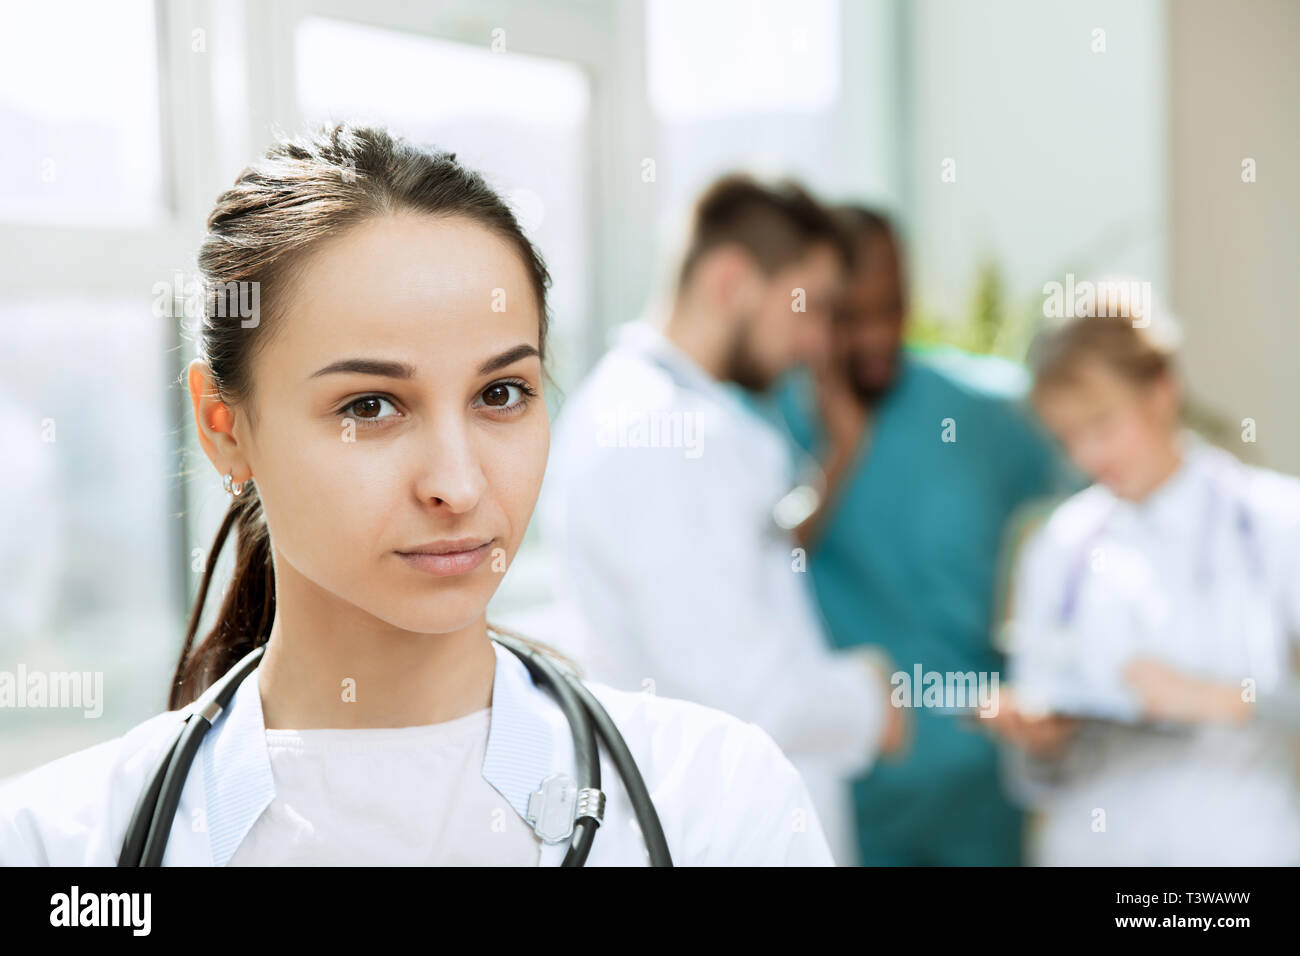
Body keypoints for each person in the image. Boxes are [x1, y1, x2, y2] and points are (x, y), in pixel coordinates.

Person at [0, 123, 834, 867]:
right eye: (370, 406)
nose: (459, 484)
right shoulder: (58, 842)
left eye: (500, 394)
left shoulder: (715, 802)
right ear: (225, 428)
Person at [539, 175, 904, 865]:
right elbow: (742, 693)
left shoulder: (676, 415)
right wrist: (869, 698)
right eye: (810, 306)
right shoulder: (663, 433)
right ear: (732, 280)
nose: (818, 343)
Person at [760, 207, 1067, 865]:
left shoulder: (989, 413)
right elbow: (760, 569)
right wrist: (839, 451)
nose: (875, 335)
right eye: (849, 317)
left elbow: (1096, 513)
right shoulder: (771, 424)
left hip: (980, 790)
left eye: (891, 309)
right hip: (851, 795)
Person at [989, 294, 1300, 865]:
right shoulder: (1058, 547)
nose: (1088, 455)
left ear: (1162, 390)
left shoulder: (1275, 523)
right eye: (1067, 436)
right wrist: (1041, 739)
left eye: (1102, 424)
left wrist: (1223, 699)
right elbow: (1031, 780)